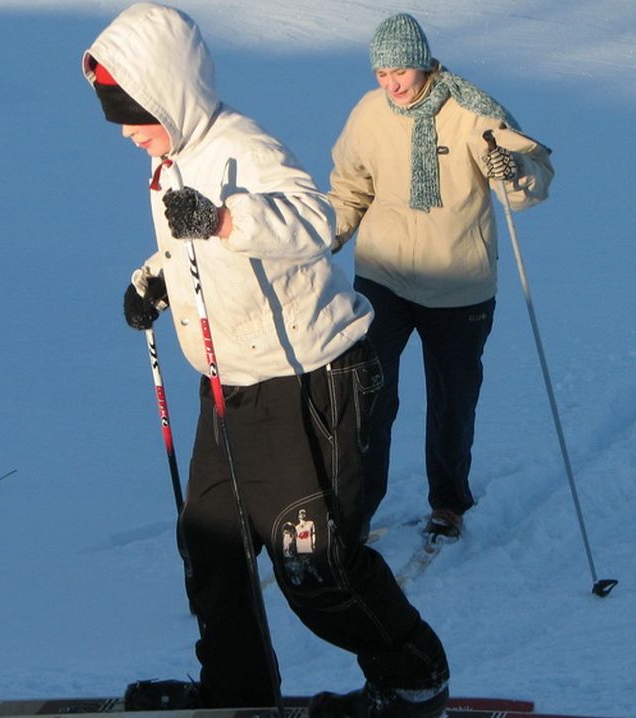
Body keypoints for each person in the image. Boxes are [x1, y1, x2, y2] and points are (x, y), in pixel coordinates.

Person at [81, 5, 449, 717]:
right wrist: (157, 276)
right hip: (228, 387)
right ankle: (236, 690)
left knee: (315, 564)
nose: (127, 132)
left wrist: (224, 219)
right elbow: (196, 251)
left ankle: (413, 679)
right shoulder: (171, 161)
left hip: (307, 381)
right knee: (211, 548)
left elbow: (314, 222)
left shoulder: (244, 147)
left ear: (169, 92)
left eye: (134, 113)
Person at [328, 13, 555, 541]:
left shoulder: (473, 111)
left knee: (452, 400)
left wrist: (513, 172)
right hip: (383, 279)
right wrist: (326, 238)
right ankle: (355, 511)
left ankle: (448, 503)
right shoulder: (368, 114)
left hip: (459, 285)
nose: (391, 83)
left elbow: (534, 181)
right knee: (369, 399)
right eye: (381, 73)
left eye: (399, 70)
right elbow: (349, 189)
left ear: (422, 61)